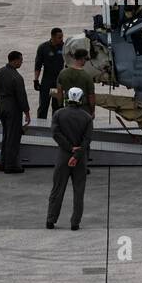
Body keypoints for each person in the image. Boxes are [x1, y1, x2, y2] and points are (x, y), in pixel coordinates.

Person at [47, 86, 93, 230]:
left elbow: (55, 133)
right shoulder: (86, 117)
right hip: (80, 159)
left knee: (57, 189)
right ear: (81, 99)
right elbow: (87, 140)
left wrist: (69, 148)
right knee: (79, 191)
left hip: (63, 156)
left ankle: (51, 220)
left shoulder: (59, 114)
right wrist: (77, 154)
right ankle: (75, 223)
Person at [0, 50, 30, 174]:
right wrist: (27, 112)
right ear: (14, 61)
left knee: (5, 135)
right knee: (13, 137)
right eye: (20, 60)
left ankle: (3, 163)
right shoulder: (17, 77)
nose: (21, 62)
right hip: (12, 107)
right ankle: (11, 165)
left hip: (1, 105)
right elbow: (21, 96)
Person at [33, 27, 65, 119]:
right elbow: (38, 65)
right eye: (59, 37)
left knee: (58, 106)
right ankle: (41, 128)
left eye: (62, 37)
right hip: (47, 81)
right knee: (43, 106)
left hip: (58, 83)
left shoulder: (64, 47)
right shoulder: (43, 48)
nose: (61, 39)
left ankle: (56, 127)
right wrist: (36, 80)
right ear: (53, 37)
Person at [56, 47, 96, 116]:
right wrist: (92, 111)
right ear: (83, 59)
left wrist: (60, 107)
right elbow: (91, 97)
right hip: (84, 110)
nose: (86, 61)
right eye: (86, 59)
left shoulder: (62, 73)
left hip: (68, 108)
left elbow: (59, 93)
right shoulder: (87, 76)